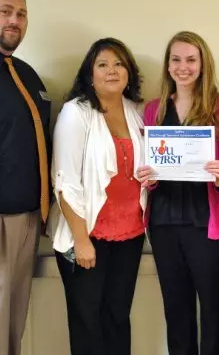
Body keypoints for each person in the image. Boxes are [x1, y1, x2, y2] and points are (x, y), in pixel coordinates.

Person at [137, 31, 219, 355]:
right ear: (168, 65)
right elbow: (149, 166)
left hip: (206, 222)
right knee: (176, 307)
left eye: (191, 59)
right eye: (176, 59)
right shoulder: (152, 110)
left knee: (212, 306)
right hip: (164, 222)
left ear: (203, 63)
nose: (183, 67)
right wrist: (147, 178)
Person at [50, 37, 146, 355]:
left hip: (130, 235)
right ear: (90, 74)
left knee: (117, 318)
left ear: (129, 71)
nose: (112, 70)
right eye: (102, 64)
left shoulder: (136, 113)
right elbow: (65, 181)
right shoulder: (75, 113)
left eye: (119, 63)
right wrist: (81, 239)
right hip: (87, 236)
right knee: (87, 324)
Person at [0, 0, 51, 355]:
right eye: (6, 11)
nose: (15, 20)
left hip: (28, 219)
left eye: (21, 14)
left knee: (13, 323)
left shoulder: (27, 74)